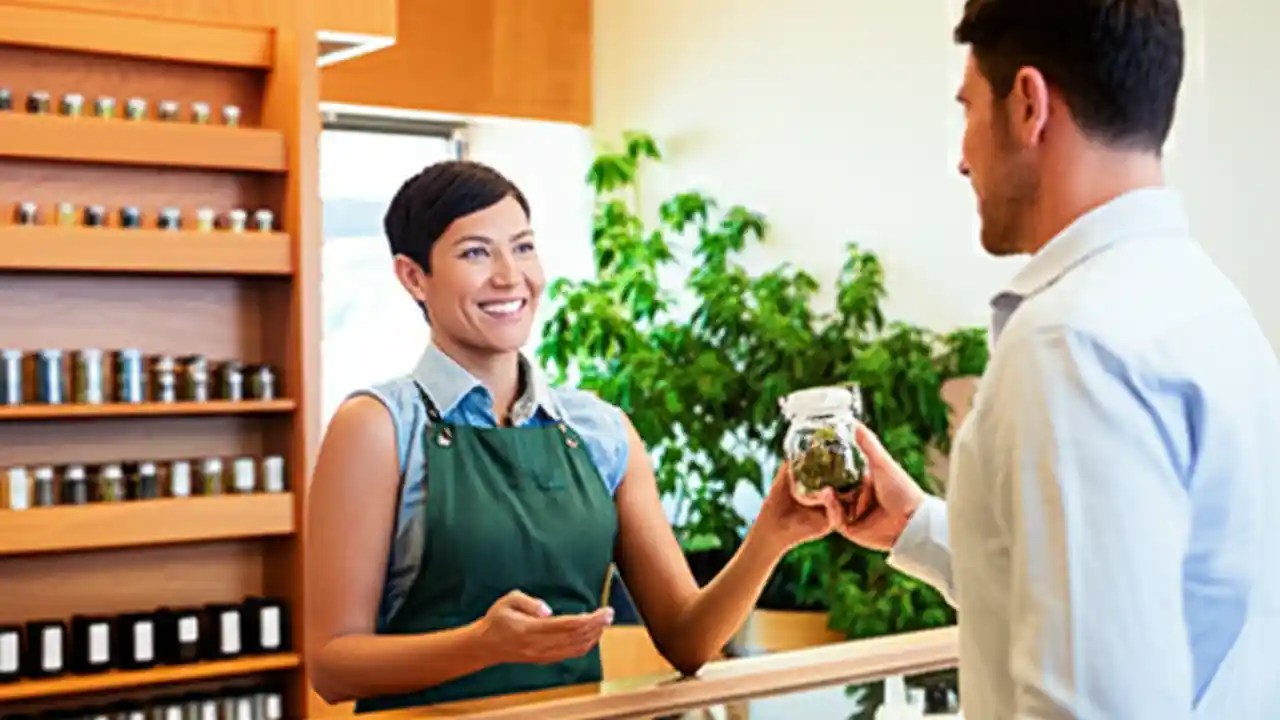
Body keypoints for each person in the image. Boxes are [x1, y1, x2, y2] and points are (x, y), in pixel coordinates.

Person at [838, 1, 1280, 718]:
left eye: (967, 107)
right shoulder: (1212, 311)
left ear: (1028, 105)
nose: (961, 155)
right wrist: (918, 525)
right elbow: (1137, 599)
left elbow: (1093, 702)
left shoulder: (1072, 345)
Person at [304, 160, 842, 712]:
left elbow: (687, 640)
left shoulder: (601, 431)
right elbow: (332, 667)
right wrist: (481, 646)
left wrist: (771, 535)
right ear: (413, 277)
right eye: (475, 252)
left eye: (523, 247)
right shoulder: (378, 427)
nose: (510, 276)